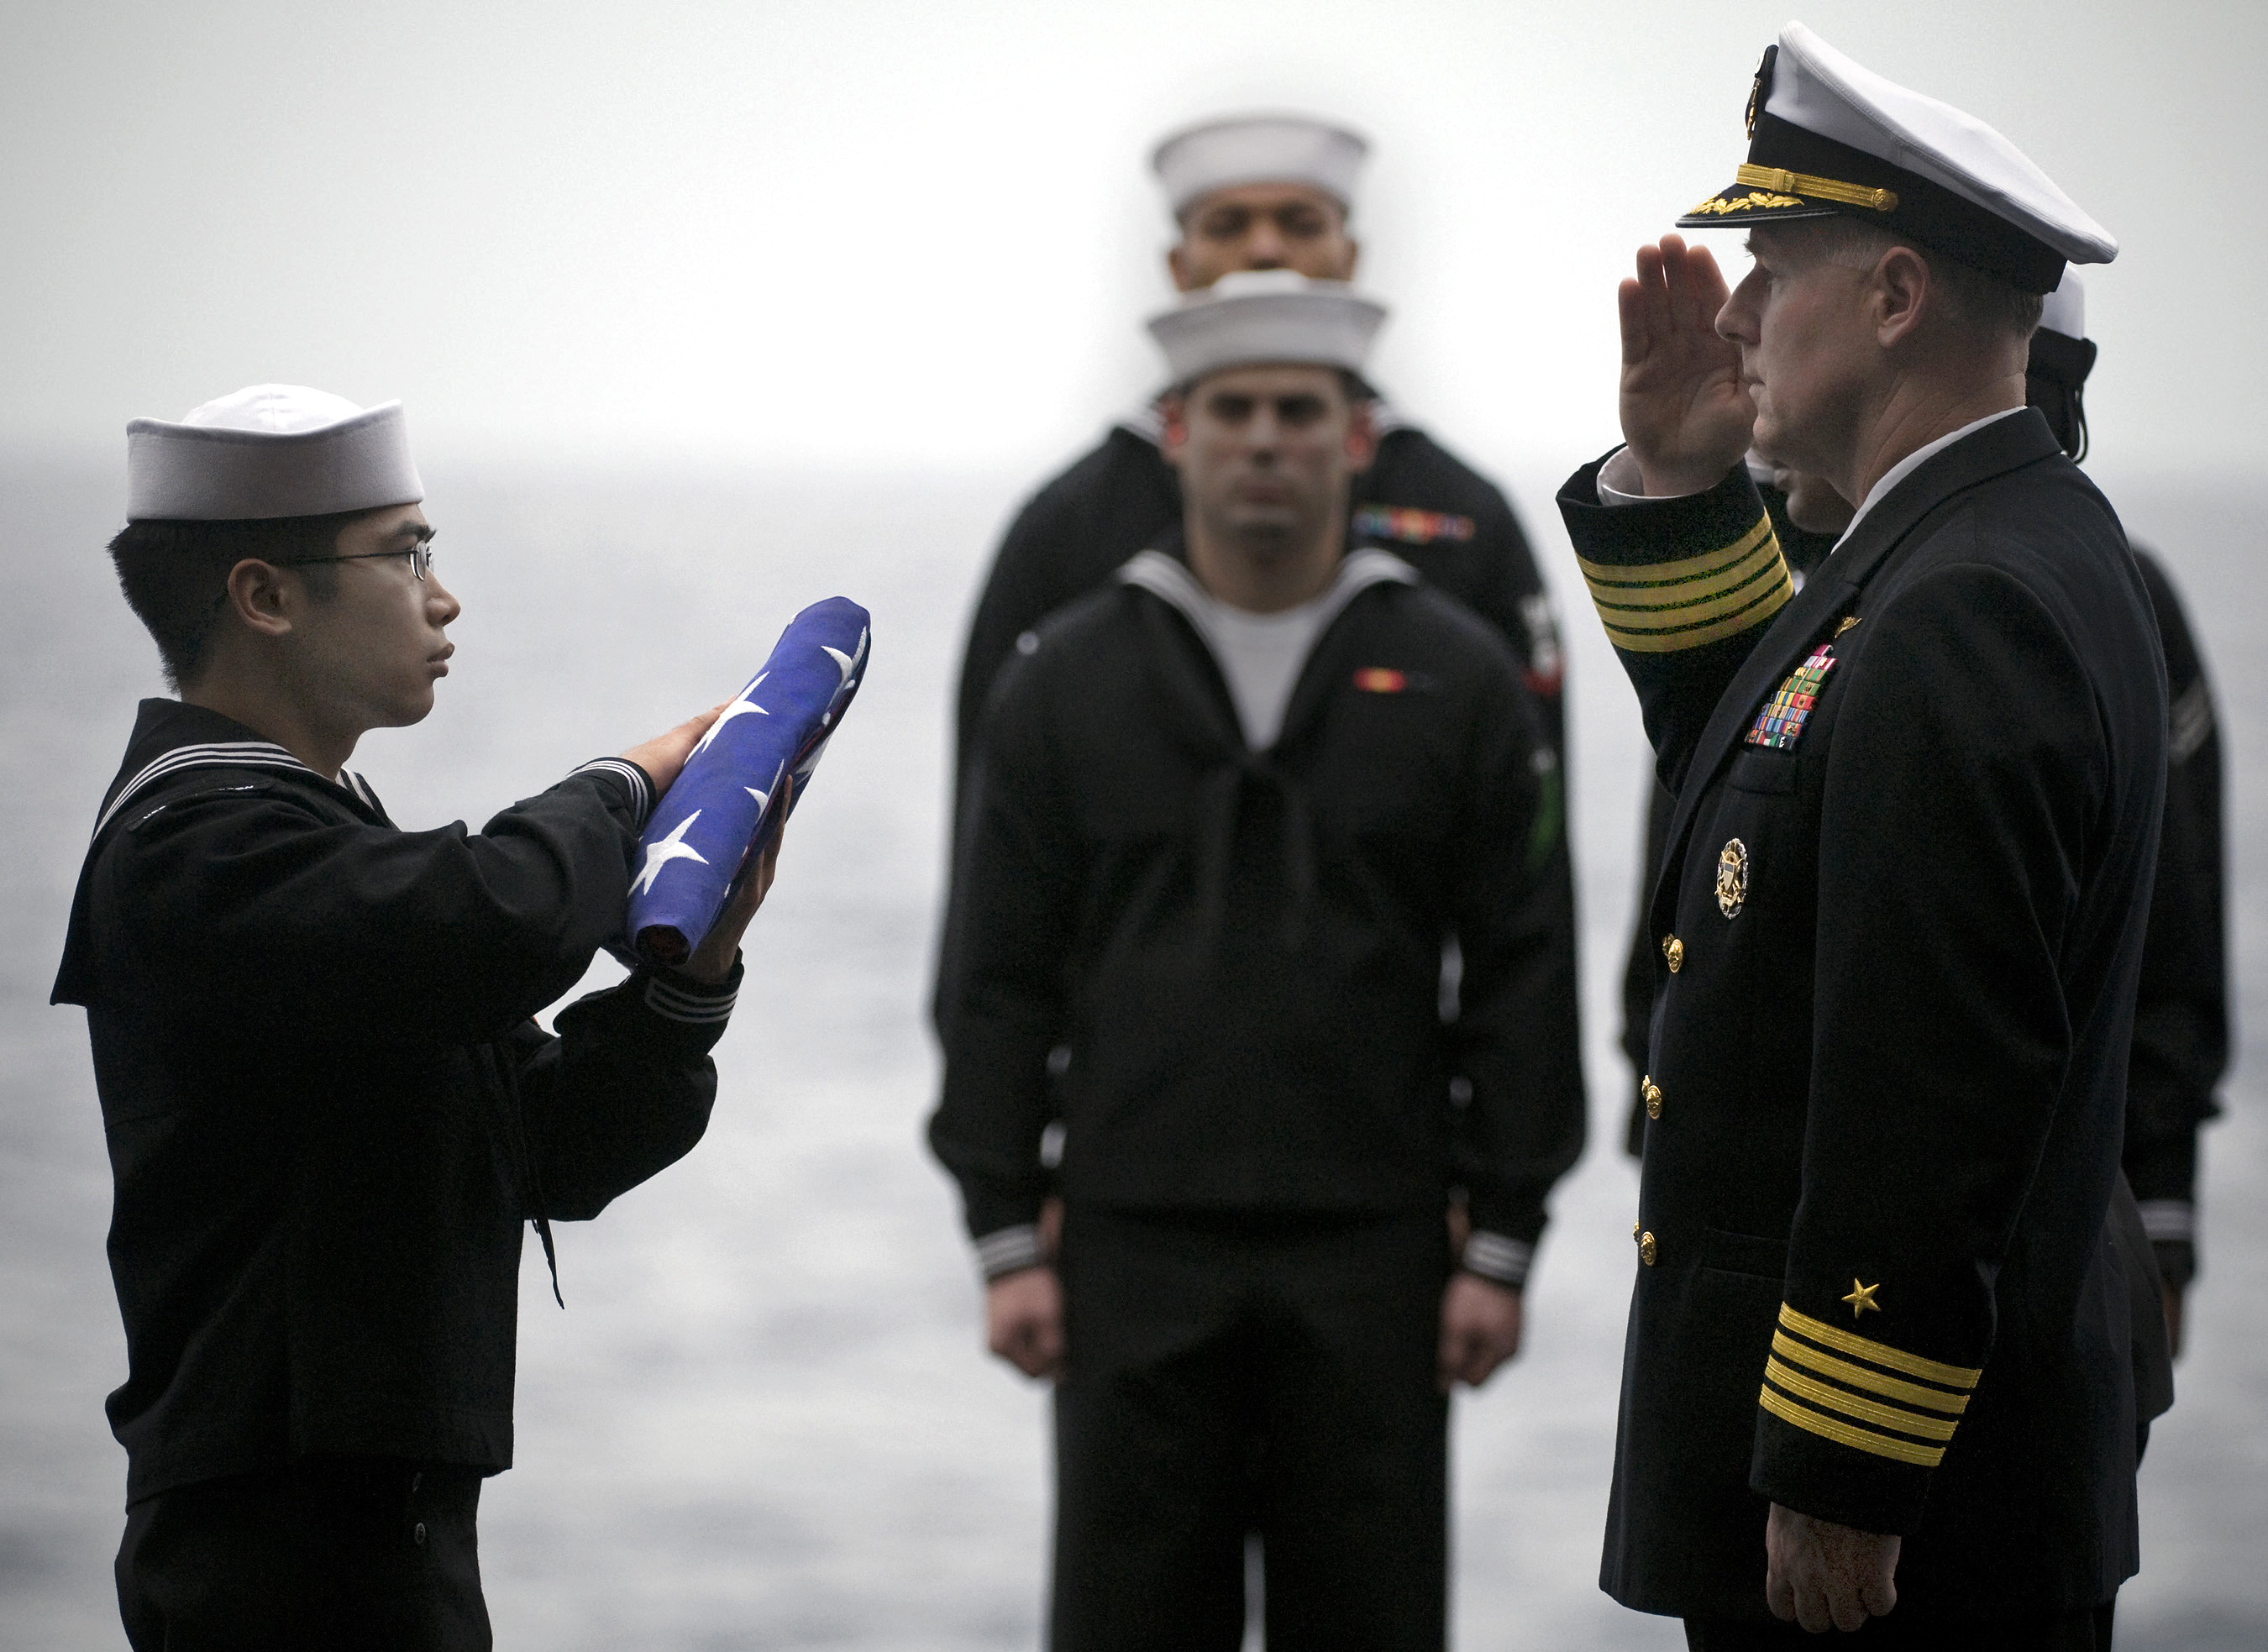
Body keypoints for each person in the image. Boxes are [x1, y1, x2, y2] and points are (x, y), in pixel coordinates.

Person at [1557, 24, 2166, 1649]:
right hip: (1914, 1486)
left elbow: (1935, 1078)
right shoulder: (1982, 543)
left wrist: (1843, 1463)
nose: (1741, 315)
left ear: (1896, 297)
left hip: (1898, 1526)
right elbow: (1766, 783)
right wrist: (1682, 487)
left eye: (1774, 265)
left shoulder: (1966, 604)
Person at [51, 385, 785, 1651]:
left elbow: (551, 1145)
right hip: (271, 1552)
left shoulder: (319, 840)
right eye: (405, 553)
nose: (441, 597)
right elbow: (494, 921)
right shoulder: (192, 842)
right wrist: (625, 783)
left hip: (384, 1532)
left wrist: (689, 981)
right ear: (266, 596)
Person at [930, 273, 1584, 1650]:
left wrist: (1508, 1234)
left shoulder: (1459, 675)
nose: (1267, 439)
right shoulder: (1064, 675)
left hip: (1380, 1253)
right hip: (1125, 1246)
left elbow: (1523, 961)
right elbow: (996, 970)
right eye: (1233, 410)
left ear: (1358, 439)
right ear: (1177, 433)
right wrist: (1002, 1226)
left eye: (1301, 410)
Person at [1624, 276, 2229, 1357]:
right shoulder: (1829, 602)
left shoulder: (1997, 610)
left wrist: (2168, 1206)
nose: (1743, 330)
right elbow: (1702, 873)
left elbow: (2163, 934)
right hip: (1797, 1252)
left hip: (1939, 1291)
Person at [953, 111, 1568, 795]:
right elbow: (991, 811)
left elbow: (1534, 805)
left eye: (1301, 223)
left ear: (1350, 257)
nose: (1266, 251)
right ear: (1178, 266)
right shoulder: (1066, 528)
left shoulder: (1466, 519)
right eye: (1228, 226)